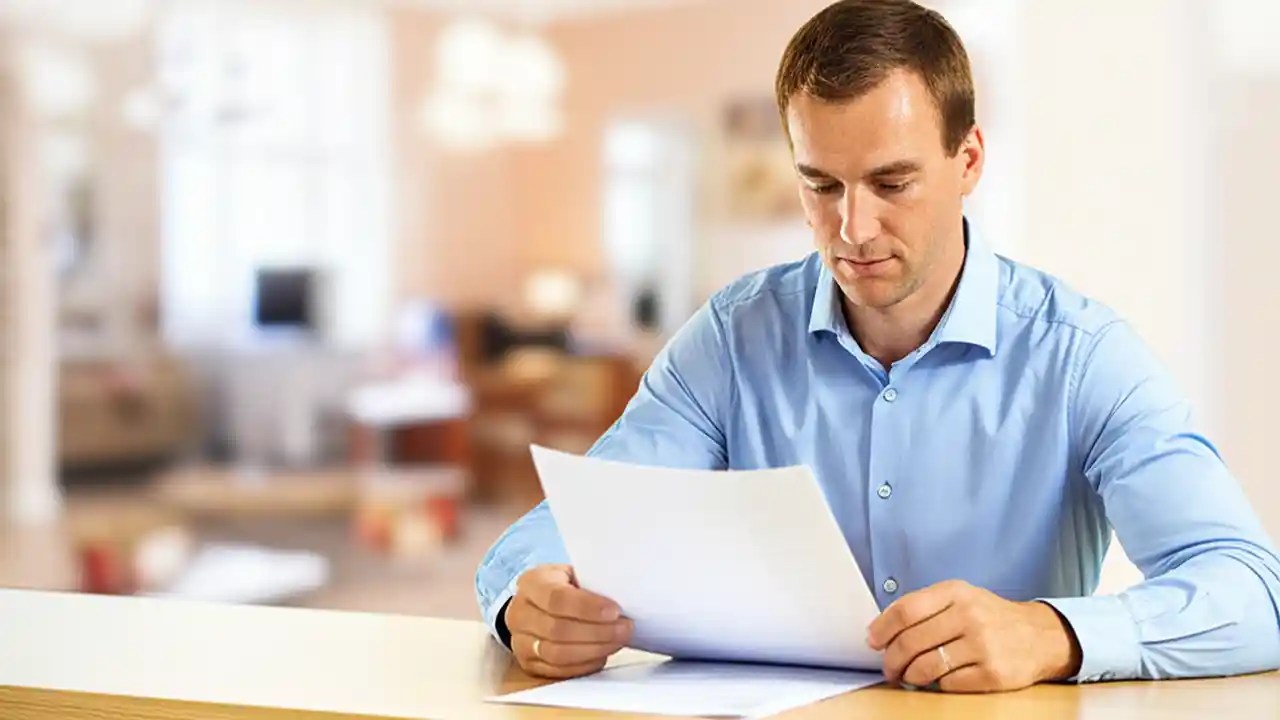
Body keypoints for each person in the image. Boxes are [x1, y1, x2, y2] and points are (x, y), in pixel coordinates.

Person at [475, 0, 1280, 692]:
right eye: (820, 185)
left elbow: (1253, 593)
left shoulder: (1082, 356)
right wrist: (528, 602)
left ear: (968, 161)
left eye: (891, 184)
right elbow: (562, 532)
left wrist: (1054, 634)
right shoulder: (730, 338)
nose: (851, 230)